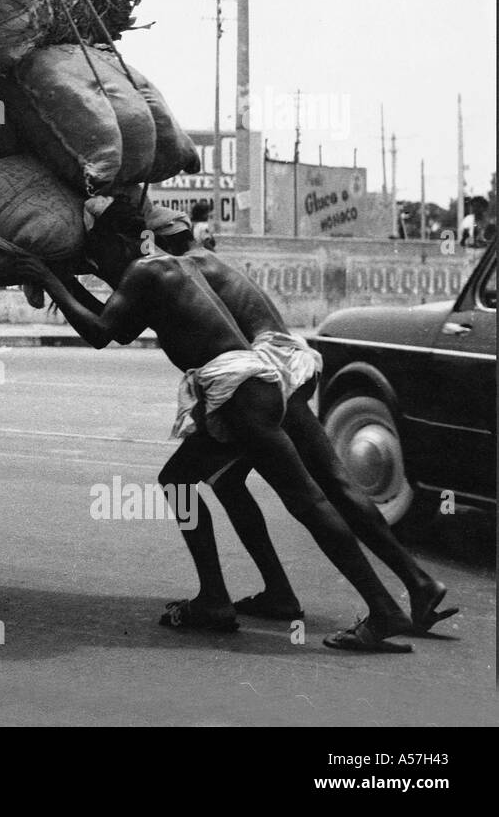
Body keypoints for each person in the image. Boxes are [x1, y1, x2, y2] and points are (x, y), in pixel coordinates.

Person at [17, 198, 415, 652]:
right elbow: (119, 326)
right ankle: (239, 597)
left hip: (241, 393)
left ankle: (376, 609)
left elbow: (99, 333)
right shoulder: (162, 272)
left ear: (130, 240)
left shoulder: (149, 272)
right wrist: (62, 283)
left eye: (102, 250)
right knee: (208, 484)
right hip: (249, 387)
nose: (100, 263)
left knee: (304, 499)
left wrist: (49, 277)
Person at [152, 218, 458, 636]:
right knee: (315, 481)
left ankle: (283, 595)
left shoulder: (184, 268)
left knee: (302, 493)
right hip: (289, 357)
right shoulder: (208, 259)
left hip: (270, 370)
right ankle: (416, 582)